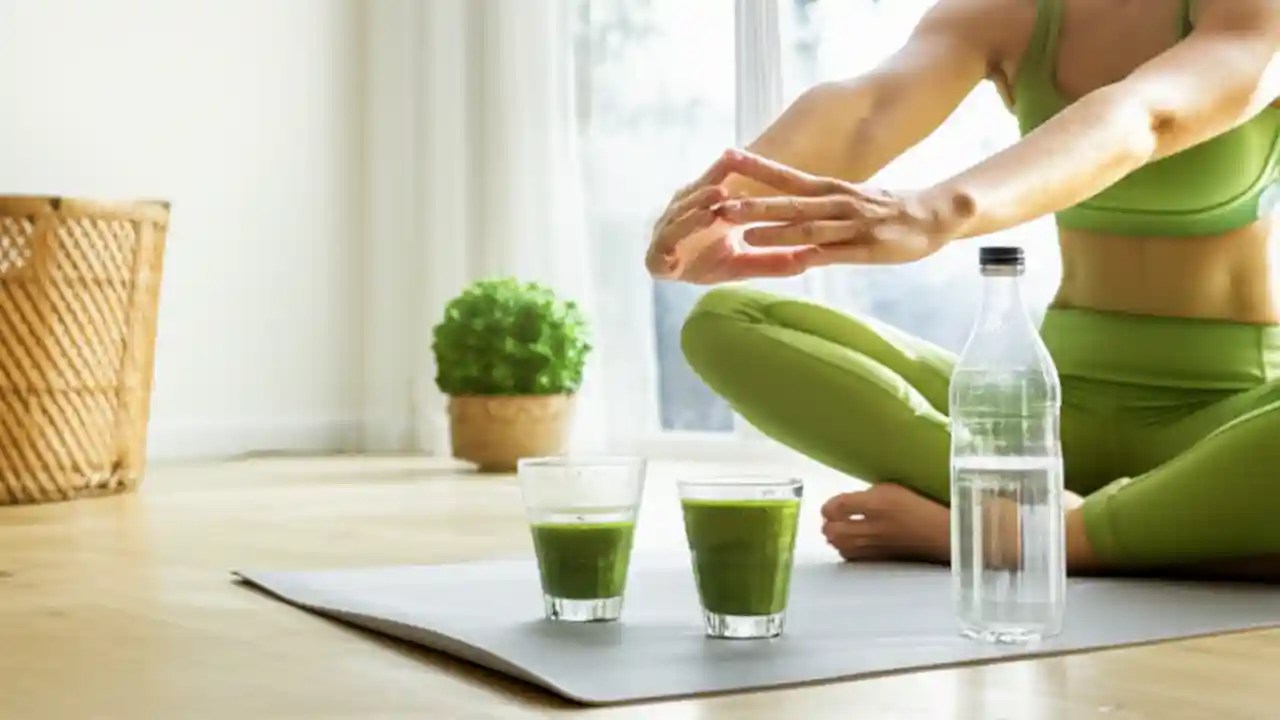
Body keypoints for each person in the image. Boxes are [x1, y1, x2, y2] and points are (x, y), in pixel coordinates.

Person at [646, 0, 1280, 580]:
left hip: (1228, 419)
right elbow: (868, 108)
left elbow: (1143, 117)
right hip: (1045, 424)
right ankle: (1159, 531)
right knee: (728, 322)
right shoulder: (1017, 12)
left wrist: (938, 212)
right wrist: (718, 209)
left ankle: (1024, 532)